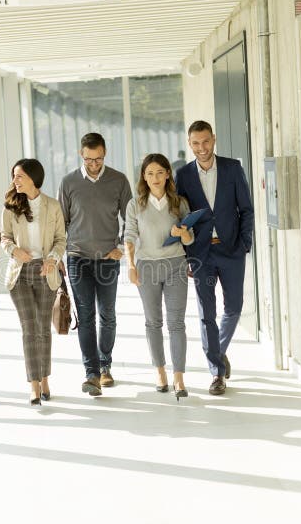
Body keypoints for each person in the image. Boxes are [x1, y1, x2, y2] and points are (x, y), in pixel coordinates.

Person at [175, 121, 254, 396]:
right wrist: (186, 255)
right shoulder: (183, 175)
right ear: (190, 144)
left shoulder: (233, 168)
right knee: (206, 313)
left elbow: (246, 209)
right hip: (201, 254)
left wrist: (245, 243)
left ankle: (217, 352)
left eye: (206, 141)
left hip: (232, 250)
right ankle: (216, 373)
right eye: (196, 143)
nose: (202, 148)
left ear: (214, 139)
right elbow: (180, 218)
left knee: (234, 307)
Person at [58, 132, 133, 396]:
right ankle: (91, 373)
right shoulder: (68, 183)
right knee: (86, 315)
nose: (94, 164)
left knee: (107, 315)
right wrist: (59, 256)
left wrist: (121, 247)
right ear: (82, 154)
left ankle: (105, 366)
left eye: (98, 159)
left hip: (107, 259)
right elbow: (61, 224)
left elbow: (131, 218)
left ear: (105, 154)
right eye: (89, 159)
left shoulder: (118, 181)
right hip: (78, 258)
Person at [125, 154, 193, 400]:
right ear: (144, 176)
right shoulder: (135, 205)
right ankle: (160, 372)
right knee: (153, 322)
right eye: (149, 173)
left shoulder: (179, 203)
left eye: (159, 172)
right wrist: (131, 266)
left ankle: (179, 377)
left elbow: (189, 239)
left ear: (167, 174)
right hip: (147, 267)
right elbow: (129, 237)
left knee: (177, 324)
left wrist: (182, 233)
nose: (155, 178)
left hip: (176, 264)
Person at [1, 159, 66, 405]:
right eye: (14, 176)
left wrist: (52, 259)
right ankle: (34, 384)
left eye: (19, 176)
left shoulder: (53, 206)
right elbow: (4, 237)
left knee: (42, 328)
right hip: (20, 273)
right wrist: (14, 250)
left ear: (33, 178)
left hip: (45, 272)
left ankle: (45, 378)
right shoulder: (10, 207)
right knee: (29, 328)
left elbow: (61, 239)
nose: (15, 181)